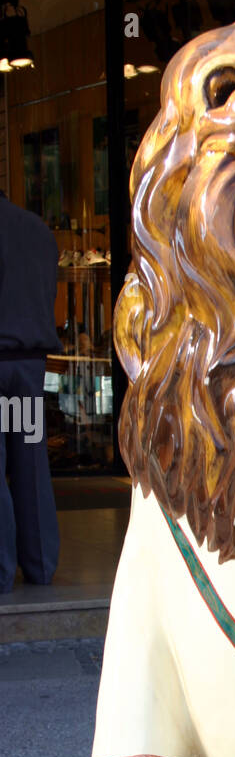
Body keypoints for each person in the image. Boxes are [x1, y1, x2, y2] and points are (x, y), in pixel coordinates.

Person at [0, 189, 61, 593]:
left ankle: (1, 570)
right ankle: (40, 565)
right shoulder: (39, 231)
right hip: (28, 368)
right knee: (31, 462)